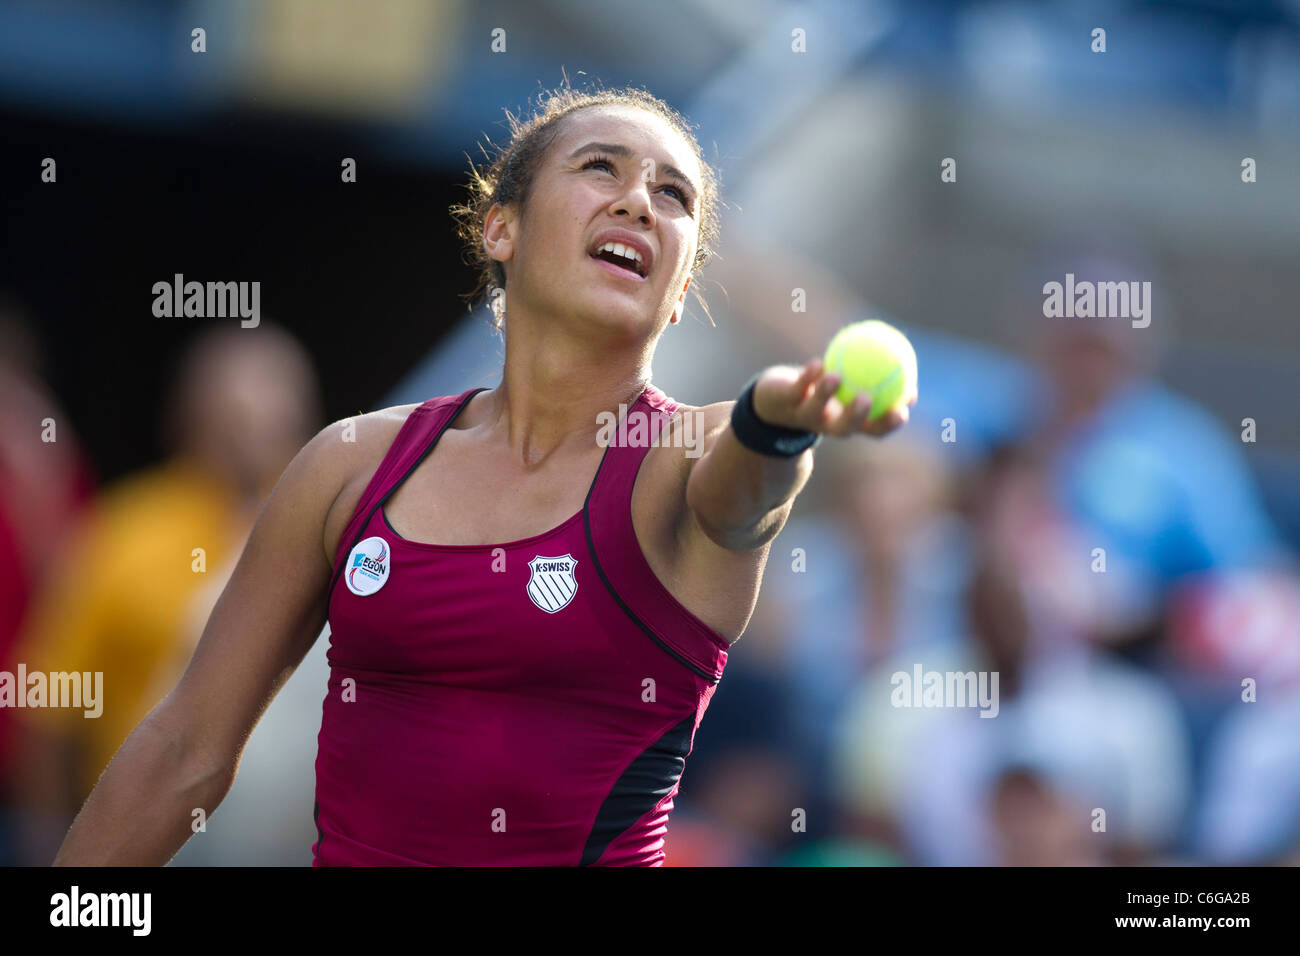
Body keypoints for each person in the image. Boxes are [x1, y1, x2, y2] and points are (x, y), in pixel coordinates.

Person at [50, 85, 912, 867]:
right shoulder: (349, 464)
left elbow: (748, 482)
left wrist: (779, 418)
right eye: (599, 168)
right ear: (501, 227)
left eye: (673, 194)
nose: (639, 202)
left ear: (681, 289)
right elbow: (184, 750)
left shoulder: (693, 457)